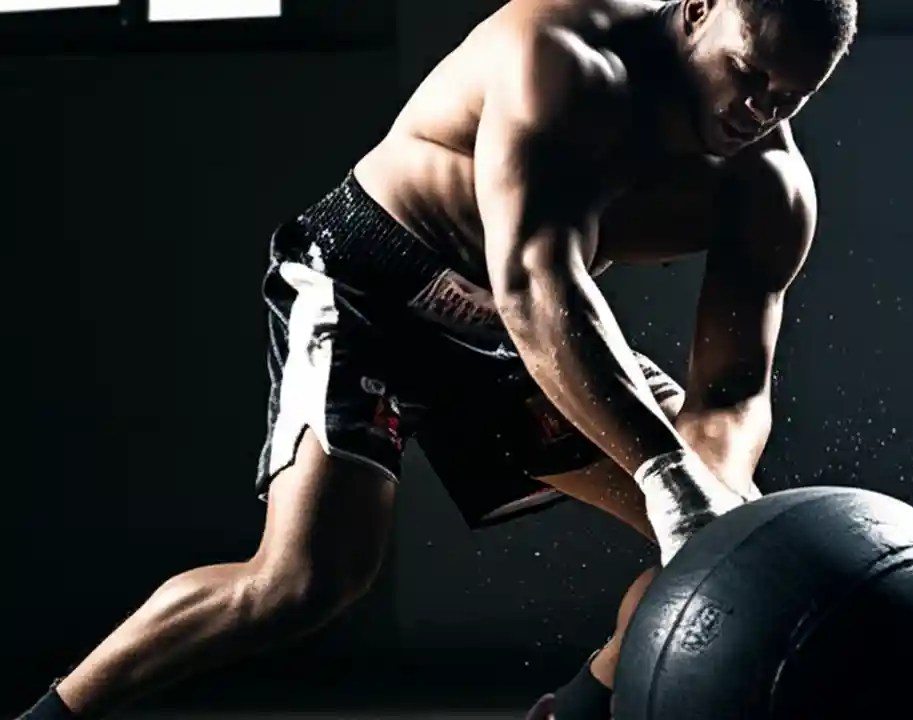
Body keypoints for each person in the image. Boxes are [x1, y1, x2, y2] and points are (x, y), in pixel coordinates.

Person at [17, 0, 857, 718]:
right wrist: (670, 479)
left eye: (792, 95)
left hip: (509, 331)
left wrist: (711, 509)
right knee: (305, 580)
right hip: (370, 283)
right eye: (750, 73)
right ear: (699, 8)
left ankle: (579, 710)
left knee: (722, 554)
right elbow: (535, 283)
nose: (761, 110)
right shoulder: (564, 54)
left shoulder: (769, 189)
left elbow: (734, 388)